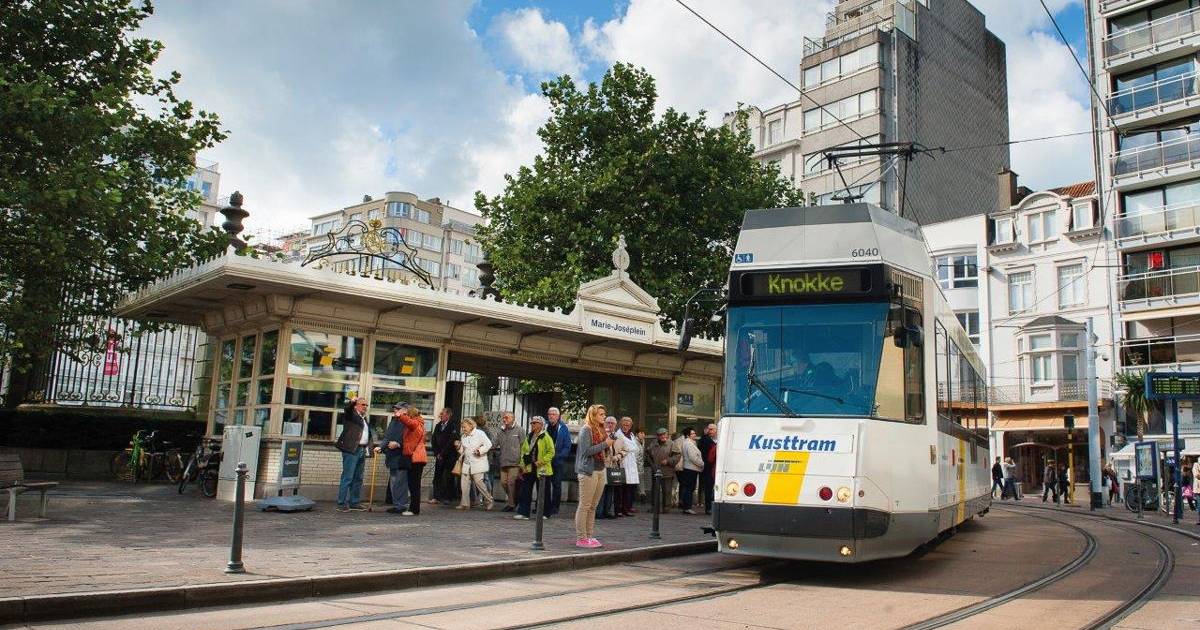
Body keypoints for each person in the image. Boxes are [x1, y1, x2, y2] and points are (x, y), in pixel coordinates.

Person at [575, 404, 616, 549]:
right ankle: (581, 538)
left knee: (593, 506)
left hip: (601, 469)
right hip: (588, 471)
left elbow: (605, 449)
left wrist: (609, 444)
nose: (604, 417)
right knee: (585, 505)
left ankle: (589, 535)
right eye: (601, 414)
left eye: (604, 414)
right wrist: (606, 443)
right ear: (593, 415)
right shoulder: (586, 430)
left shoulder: (601, 430)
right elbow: (586, 451)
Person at [334, 396, 372, 512]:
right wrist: (352, 402)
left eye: (366, 405)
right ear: (356, 406)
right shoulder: (351, 415)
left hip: (361, 449)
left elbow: (367, 435)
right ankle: (341, 503)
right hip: (351, 450)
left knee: (358, 478)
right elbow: (347, 409)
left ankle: (354, 502)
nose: (365, 407)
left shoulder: (363, 418)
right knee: (348, 477)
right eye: (362, 404)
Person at [514, 415, 555, 520]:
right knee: (525, 490)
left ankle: (545, 513)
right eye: (532, 423)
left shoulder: (546, 437)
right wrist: (522, 465)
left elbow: (551, 452)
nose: (532, 425)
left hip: (542, 468)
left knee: (543, 492)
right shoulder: (529, 436)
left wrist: (541, 461)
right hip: (529, 467)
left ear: (541, 425)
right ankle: (524, 512)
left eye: (535, 423)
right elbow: (524, 451)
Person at [375, 403, 411, 514]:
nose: (395, 411)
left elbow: (411, 440)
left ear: (405, 411)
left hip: (402, 457)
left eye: (398, 409)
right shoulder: (394, 421)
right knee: (394, 481)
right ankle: (396, 505)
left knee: (401, 482)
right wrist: (380, 447)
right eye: (395, 409)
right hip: (392, 456)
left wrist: (398, 444)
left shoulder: (409, 422)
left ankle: (402, 505)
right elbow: (387, 436)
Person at [456, 418, 494, 510]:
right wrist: (458, 447)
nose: (463, 429)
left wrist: (480, 451)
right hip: (467, 463)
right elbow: (463, 451)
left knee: (479, 483)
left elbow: (489, 444)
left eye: (464, 427)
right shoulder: (463, 436)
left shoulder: (480, 433)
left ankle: (489, 501)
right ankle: (465, 504)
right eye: (462, 427)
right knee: (464, 484)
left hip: (478, 462)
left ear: (471, 425)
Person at [400, 405, 427, 516]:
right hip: (417, 457)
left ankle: (414, 509)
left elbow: (409, 423)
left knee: (414, 484)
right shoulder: (419, 423)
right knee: (413, 484)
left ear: (410, 414)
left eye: (407, 414)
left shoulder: (416, 423)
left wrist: (401, 415)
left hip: (415, 457)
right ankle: (413, 508)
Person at [646, 427, 681, 512]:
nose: (663, 436)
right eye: (661, 435)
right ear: (657, 436)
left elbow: (677, 455)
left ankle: (666, 507)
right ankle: (654, 507)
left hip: (667, 471)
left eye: (665, 434)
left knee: (667, 490)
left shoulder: (672, 444)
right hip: (656, 470)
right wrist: (652, 464)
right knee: (655, 490)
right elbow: (647, 454)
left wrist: (668, 461)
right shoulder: (653, 443)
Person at [495, 412, 524, 512]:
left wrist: (522, 463)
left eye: (507, 417)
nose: (504, 419)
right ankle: (515, 500)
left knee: (511, 483)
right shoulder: (501, 431)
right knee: (503, 483)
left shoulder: (519, 430)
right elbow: (494, 443)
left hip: (515, 462)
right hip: (503, 461)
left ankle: (511, 504)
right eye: (503, 417)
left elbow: (523, 446)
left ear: (513, 418)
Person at [545, 407, 571, 518]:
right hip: (544, 461)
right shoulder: (544, 426)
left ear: (558, 416)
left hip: (557, 461)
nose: (551, 416)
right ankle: (544, 506)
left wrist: (559, 457)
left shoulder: (563, 428)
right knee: (544, 485)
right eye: (549, 414)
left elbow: (567, 446)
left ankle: (555, 507)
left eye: (554, 414)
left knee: (556, 485)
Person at [430, 408, 459, 505]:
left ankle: (448, 497)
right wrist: (437, 453)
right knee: (437, 476)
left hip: (449, 456)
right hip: (439, 456)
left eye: (442, 414)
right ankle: (436, 497)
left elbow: (452, 441)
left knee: (448, 477)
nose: (440, 415)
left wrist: (442, 453)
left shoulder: (453, 425)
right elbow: (433, 439)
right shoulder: (438, 425)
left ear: (448, 415)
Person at [597, 417, 624, 519]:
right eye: (608, 423)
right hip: (602, 465)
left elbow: (624, 450)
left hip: (613, 466)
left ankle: (607, 511)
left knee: (610, 490)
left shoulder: (619, 437)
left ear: (615, 425)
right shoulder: (600, 435)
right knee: (601, 489)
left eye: (612, 423)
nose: (610, 425)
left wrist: (617, 457)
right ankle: (599, 512)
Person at [615, 417, 641, 517]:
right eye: (624, 425)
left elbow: (635, 448)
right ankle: (620, 509)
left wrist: (630, 448)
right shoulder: (618, 435)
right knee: (621, 488)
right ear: (621, 425)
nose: (626, 427)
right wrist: (630, 448)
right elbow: (623, 448)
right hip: (623, 462)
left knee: (630, 488)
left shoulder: (631, 435)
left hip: (632, 463)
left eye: (628, 425)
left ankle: (627, 508)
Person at [678, 428, 704, 514]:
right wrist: (702, 463)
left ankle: (686, 507)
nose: (695, 435)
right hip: (691, 468)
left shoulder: (689, 442)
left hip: (690, 468)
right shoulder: (689, 443)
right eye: (692, 433)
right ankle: (687, 507)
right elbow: (693, 457)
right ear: (688, 435)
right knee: (689, 488)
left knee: (688, 488)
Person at [697, 423, 718, 514]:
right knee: (708, 488)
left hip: (716, 467)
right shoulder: (704, 440)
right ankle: (708, 508)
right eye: (709, 429)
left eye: (712, 429)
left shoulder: (721, 439)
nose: (710, 431)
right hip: (708, 468)